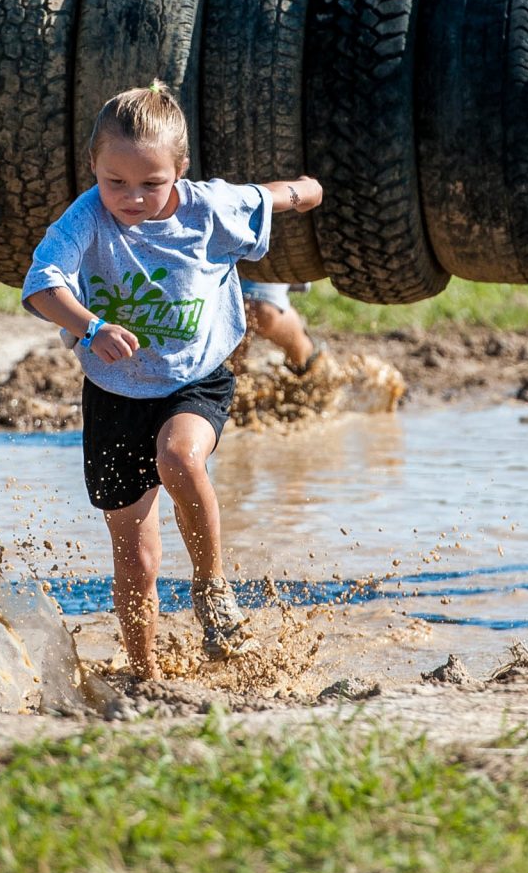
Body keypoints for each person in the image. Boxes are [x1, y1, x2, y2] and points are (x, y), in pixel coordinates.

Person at [20, 83, 323, 676]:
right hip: (113, 391)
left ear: (180, 172)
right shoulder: (86, 216)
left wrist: (305, 192)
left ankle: (211, 589)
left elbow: (278, 195)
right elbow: (39, 285)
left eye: (150, 183)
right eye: (116, 182)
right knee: (135, 560)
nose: (131, 198)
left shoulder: (211, 207)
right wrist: (89, 326)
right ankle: (144, 674)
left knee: (180, 458)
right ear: (94, 168)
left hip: (195, 379)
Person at [239, 279, 325, 374]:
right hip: (263, 302)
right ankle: (310, 364)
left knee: (235, 364)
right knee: (260, 306)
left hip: (235, 297)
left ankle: (236, 373)